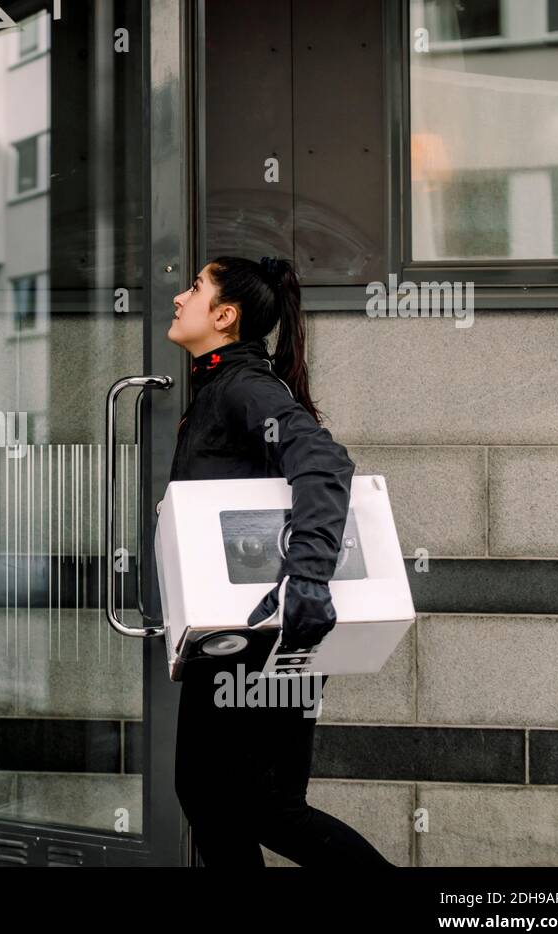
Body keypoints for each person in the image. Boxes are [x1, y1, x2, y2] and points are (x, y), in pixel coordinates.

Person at [166, 254, 393, 867]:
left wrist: (309, 578)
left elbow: (323, 463)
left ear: (225, 315)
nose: (179, 298)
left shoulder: (244, 387)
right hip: (246, 630)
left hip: (263, 634)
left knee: (261, 806)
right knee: (217, 798)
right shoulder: (221, 386)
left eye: (194, 289)